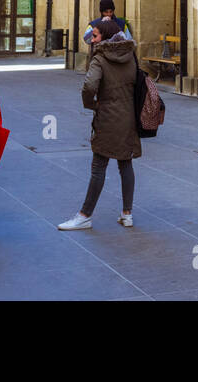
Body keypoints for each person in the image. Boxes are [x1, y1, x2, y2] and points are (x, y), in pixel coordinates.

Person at [58, 17, 141, 230]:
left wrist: (91, 105)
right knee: (125, 163)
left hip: (107, 116)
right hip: (128, 116)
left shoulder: (100, 58)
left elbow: (89, 86)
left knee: (98, 166)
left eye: (95, 36)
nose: (92, 40)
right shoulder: (130, 56)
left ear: (104, 36)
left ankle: (84, 215)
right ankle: (127, 213)